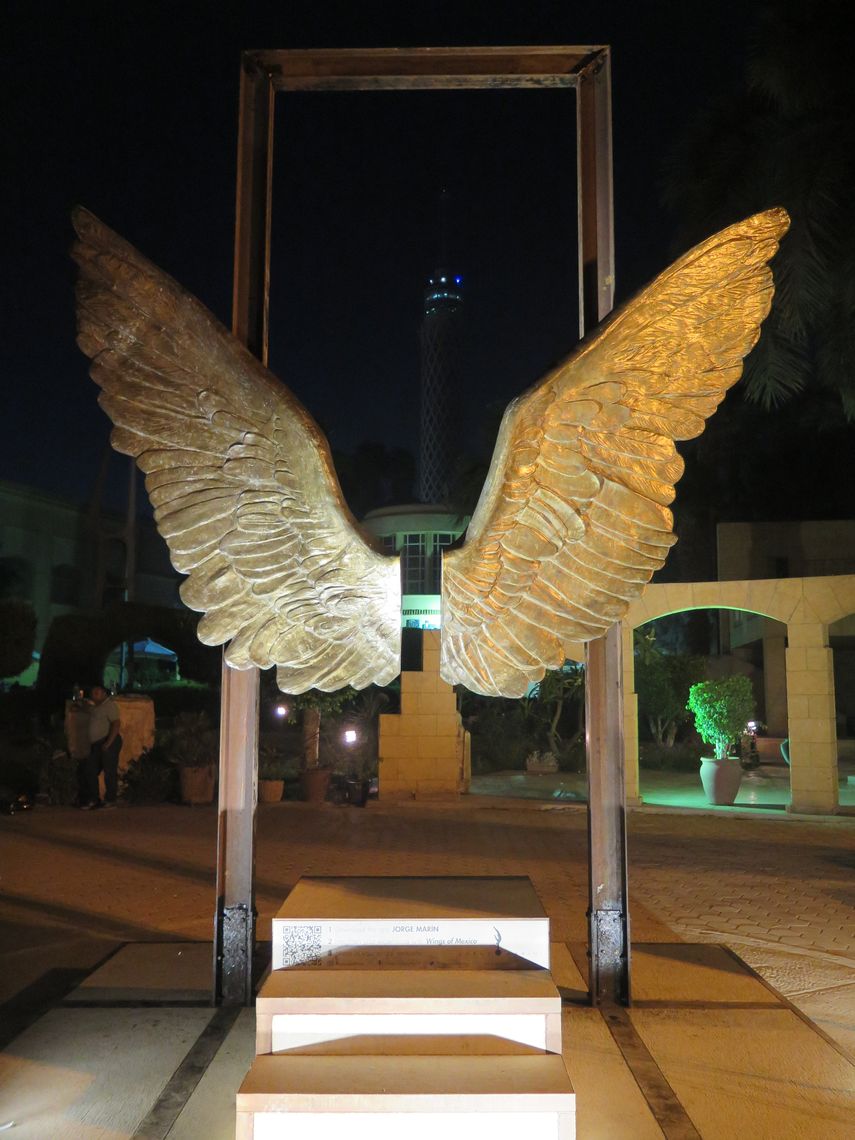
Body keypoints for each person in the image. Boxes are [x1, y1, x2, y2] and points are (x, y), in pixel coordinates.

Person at [80, 685, 122, 810]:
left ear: (104, 694)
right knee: (90, 770)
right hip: (96, 744)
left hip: (108, 741)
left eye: (97, 692)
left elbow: (116, 724)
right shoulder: (96, 707)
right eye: (92, 692)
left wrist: (108, 743)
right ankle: (94, 799)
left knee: (109, 771)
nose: (94, 694)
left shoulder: (109, 705)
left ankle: (110, 800)